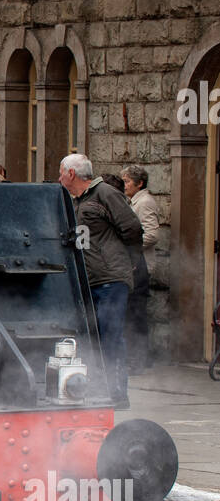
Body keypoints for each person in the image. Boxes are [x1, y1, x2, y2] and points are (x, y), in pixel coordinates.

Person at [58, 153, 143, 408]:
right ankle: (98, 388)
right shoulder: (76, 201)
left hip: (109, 278)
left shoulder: (105, 193)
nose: (59, 177)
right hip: (90, 279)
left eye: (61, 172)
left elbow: (132, 228)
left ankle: (117, 393)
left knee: (111, 337)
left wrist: (127, 262)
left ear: (71, 174)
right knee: (93, 337)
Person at [122, 164, 160, 371]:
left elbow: (152, 234)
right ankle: (136, 356)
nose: (124, 185)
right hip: (134, 264)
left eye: (128, 181)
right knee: (132, 314)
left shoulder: (144, 202)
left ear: (140, 183)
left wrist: (129, 246)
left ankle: (140, 358)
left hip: (140, 264)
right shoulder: (133, 201)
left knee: (136, 314)